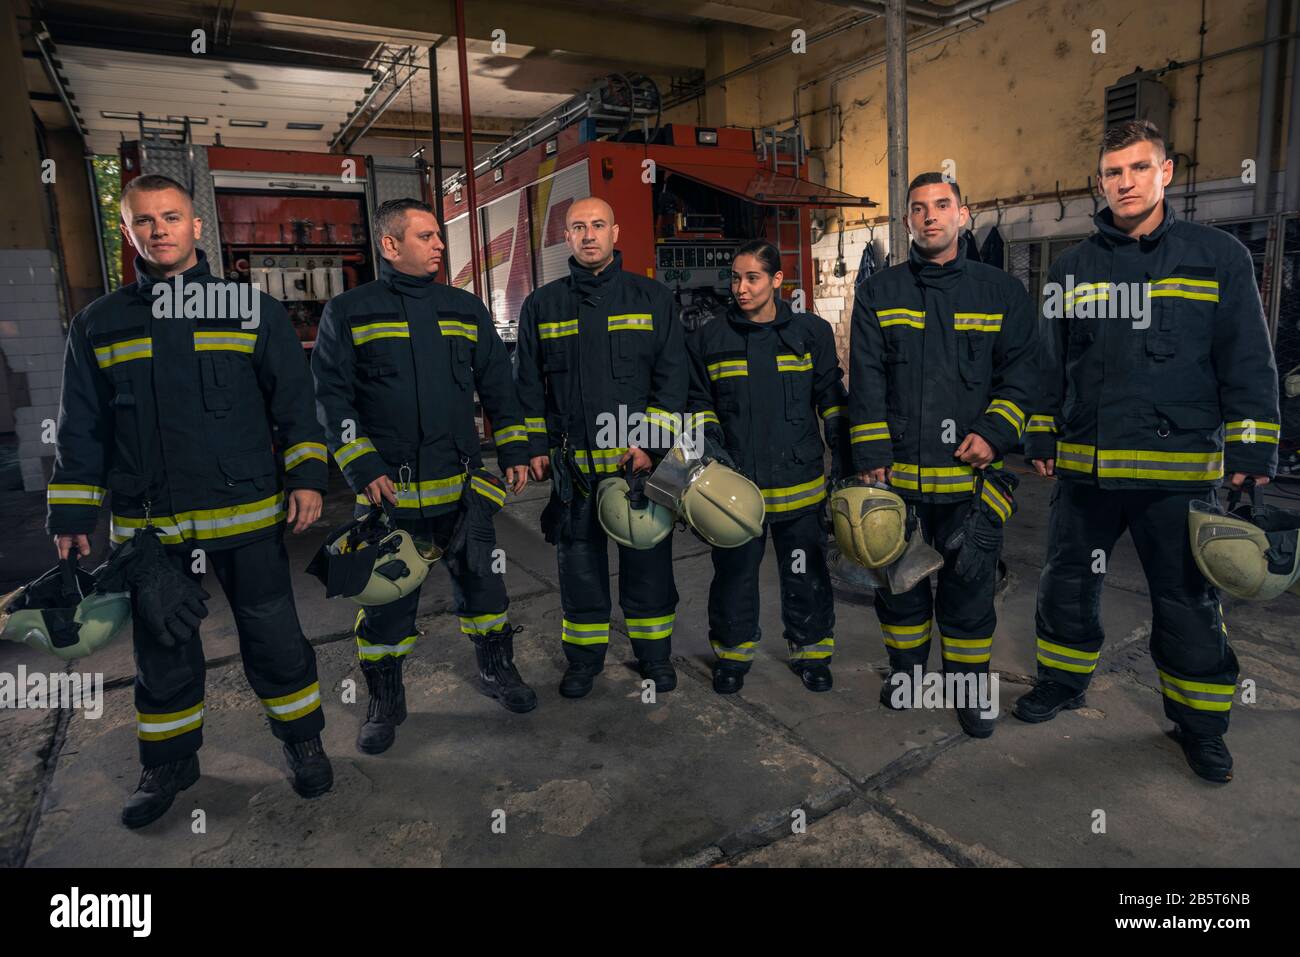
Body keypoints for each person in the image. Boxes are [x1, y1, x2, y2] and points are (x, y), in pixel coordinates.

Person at [47, 174, 332, 828]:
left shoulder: (249, 308)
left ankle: (302, 740)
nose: (159, 229)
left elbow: (294, 401)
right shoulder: (98, 324)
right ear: (127, 231)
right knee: (163, 651)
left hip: (247, 519)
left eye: (171, 216)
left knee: (275, 637)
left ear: (196, 224)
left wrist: (309, 476)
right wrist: (70, 513)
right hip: (152, 534)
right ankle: (170, 762)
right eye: (143, 220)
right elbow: (81, 427)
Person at [1018, 121, 1280, 783]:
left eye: (1138, 167)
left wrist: (1253, 445)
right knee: (1068, 583)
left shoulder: (1218, 257)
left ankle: (1199, 725)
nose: (1124, 182)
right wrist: (1041, 431)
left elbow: (1247, 357)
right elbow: (1050, 363)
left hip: (1178, 471)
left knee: (1187, 599)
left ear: (1167, 173)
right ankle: (1062, 681)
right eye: (1112, 172)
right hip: (1087, 469)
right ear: (1100, 182)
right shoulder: (1073, 267)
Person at [312, 198, 536, 755]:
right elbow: (330, 397)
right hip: (389, 497)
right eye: (428, 236)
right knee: (386, 603)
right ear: (391, 245)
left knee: (485, 587)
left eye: (439, 236)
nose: (440, 245)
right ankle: (385, 701)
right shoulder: (349, 311)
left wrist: (513, 449)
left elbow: (498, 386)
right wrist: (361, 466)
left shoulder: (463, 307)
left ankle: (497, 671)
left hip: (462, 489)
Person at [849, 172, 1037, 738]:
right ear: (906, 220)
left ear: (963, 213)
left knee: (970, 588)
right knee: (899, 585)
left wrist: (996, 431)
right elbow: (866, 379)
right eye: (918, 208)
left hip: (970, 481)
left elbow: (1025, 374)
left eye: (941, 205)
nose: (930, 216)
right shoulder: (880, 292)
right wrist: (872, 450)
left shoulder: (999, 291)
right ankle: (907, 674)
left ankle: (968, 686)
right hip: (899, 477)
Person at [514, 197, 688, 698]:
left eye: (597, 225)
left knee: (649, 567)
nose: (588, 235)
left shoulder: (652, 298)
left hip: (637, 472)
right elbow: (528, 384)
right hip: (575, 474)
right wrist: (536, 446)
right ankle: (584, 661)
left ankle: (654, 656)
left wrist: (651, 447)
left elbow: (672, 379)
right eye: (577, 227)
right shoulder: (542, 306)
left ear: (616, 232)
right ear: (565, 238)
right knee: (579, 569)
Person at [684, 240, 850, 694]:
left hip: (800, 483)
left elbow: (830, 397)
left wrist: (845, 454)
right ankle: (733, 656)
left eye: (752, 277)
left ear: (778, 280)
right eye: (735, 278)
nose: (740, 287)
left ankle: (811, 652)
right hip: (735, 489)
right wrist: (712, 448)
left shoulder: (809, 334)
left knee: (805, 571)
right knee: (734, 575)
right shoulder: (710, 338)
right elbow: (698, 402)